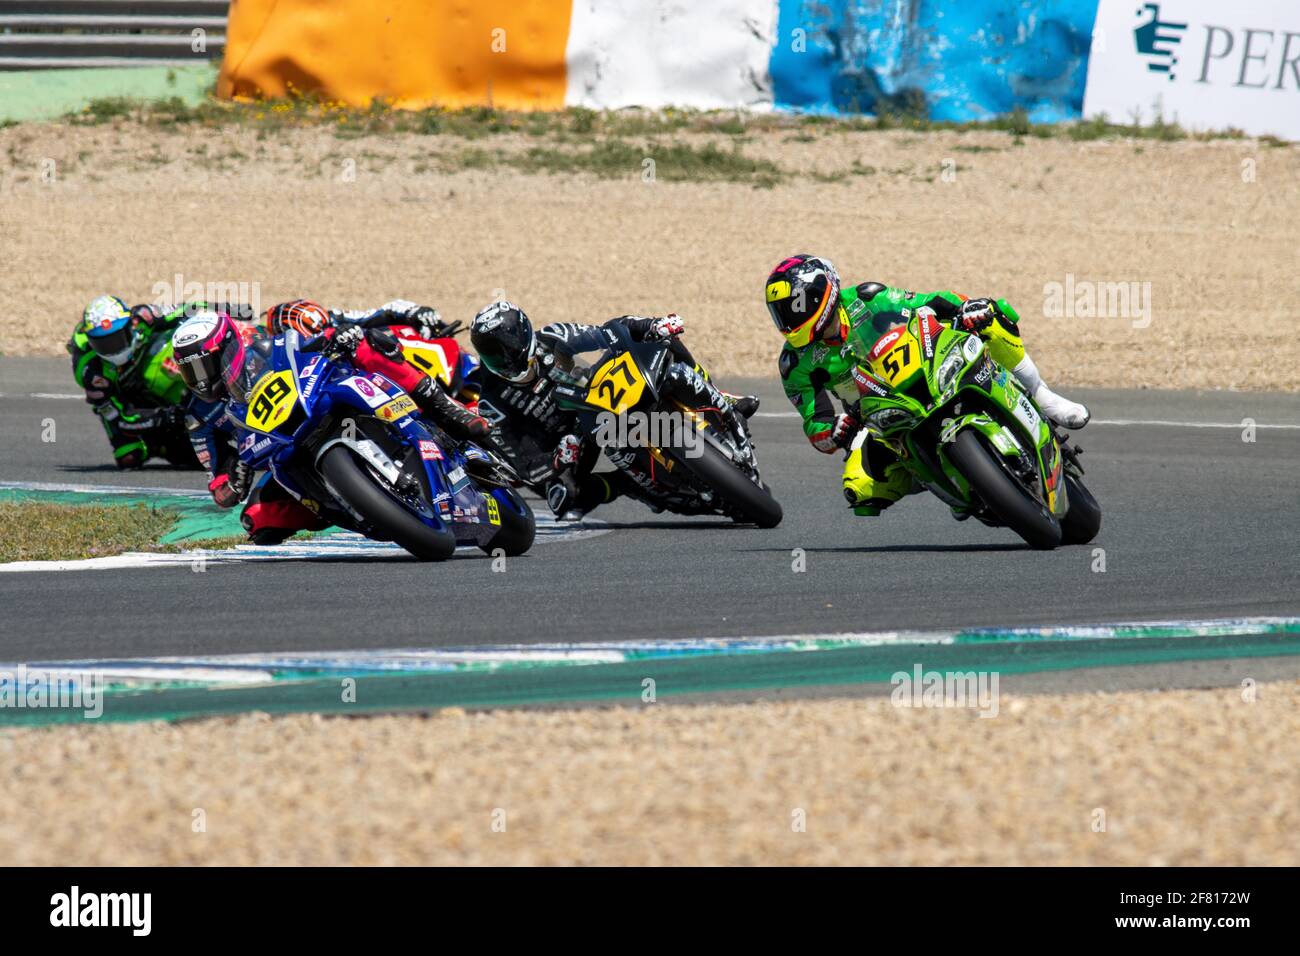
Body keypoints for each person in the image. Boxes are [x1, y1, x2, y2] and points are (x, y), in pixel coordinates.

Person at [764, 254, 1090, 517]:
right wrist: (833, 430)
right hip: (876, 417)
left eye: (796, 306)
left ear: (823, 293)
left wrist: (964, 308)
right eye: (782, 312)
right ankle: (951, 480)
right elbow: (815, 423)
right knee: (859, 488)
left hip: (925, 367)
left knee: (992, 315)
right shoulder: (795, 364)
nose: (790, 319)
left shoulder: (868, 298)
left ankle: (1041, 395)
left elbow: (930, 302)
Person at [470, 300, 758, 519]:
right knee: (569, 495)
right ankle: (630, 485)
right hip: (568, 447)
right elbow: (524, 464)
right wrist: (557, 462)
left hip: (594, 398)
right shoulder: (492, 400)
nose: (502, 359)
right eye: (492, 353)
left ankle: (720, 396)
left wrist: (649, 326)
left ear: (523, 335)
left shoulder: (552, 338)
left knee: (662, 341)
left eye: (505, 348)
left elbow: (605, 333)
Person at [69, 295, 253, 468]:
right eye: (104, 344)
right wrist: (165, 416)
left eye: (116, 339)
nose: (113, 349)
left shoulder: (141, 317)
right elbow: (122, 419)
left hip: (143, 367)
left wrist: (226, 309)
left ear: (130, 326)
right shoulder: (91, 372)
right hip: (121, 398)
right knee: (129, 456)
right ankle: (161, 445)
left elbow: (185, 309)